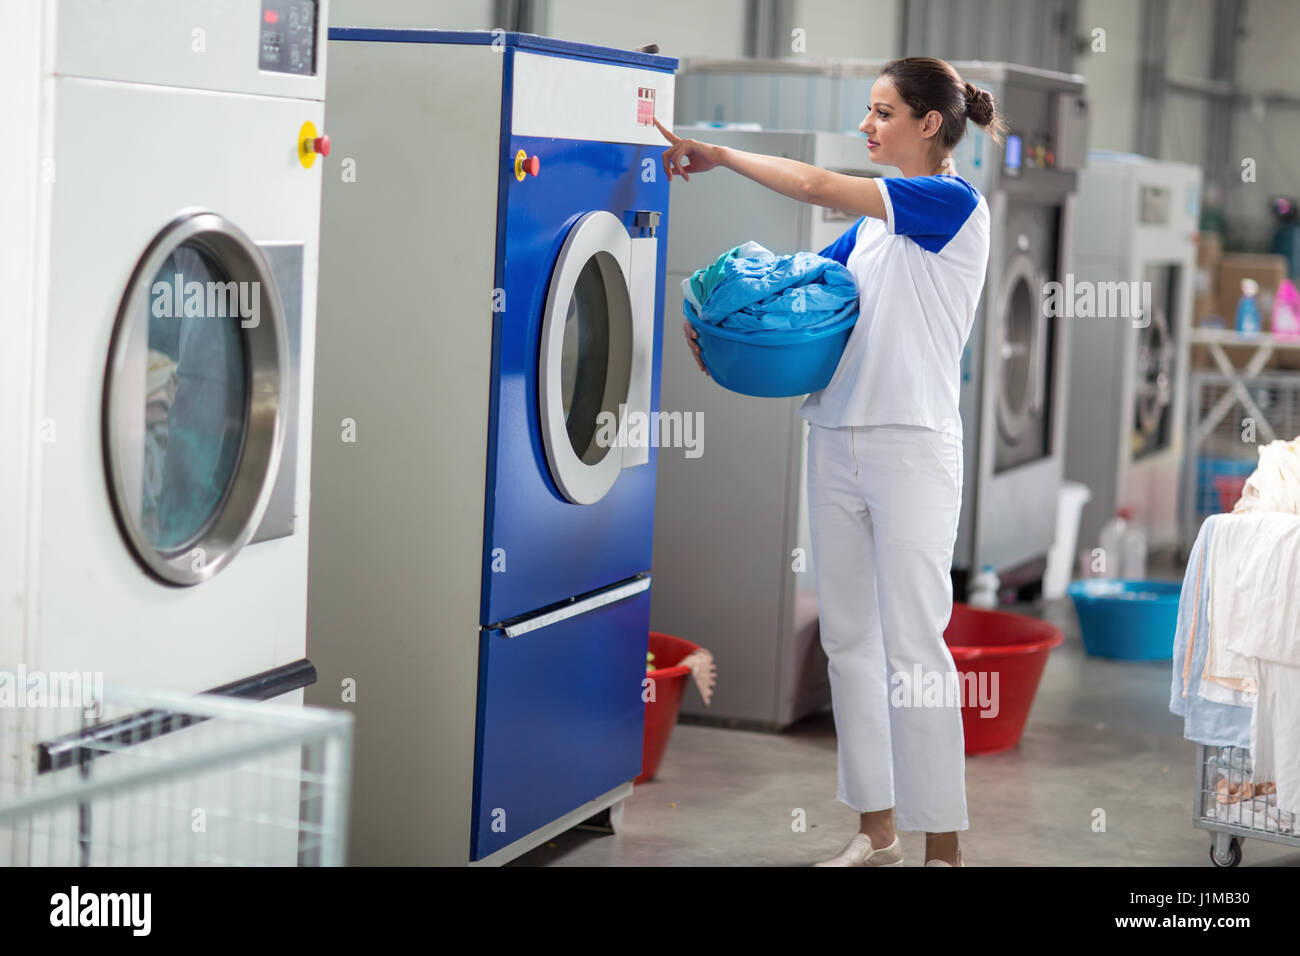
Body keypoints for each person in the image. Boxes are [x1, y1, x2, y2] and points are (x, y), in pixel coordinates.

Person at [655, 57, 1005, 867]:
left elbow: (815, 185)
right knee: (849, 641)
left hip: (912, 449)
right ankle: (875, 830)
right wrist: (728, 341)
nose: (867, 126)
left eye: (882, 113)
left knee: (915, 644)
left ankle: (942, 850)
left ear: (928, 123)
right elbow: (807, 308)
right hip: (837, 439)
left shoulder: (950, 205)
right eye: (867, 111)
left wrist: (722, 154)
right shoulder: (873, 232)